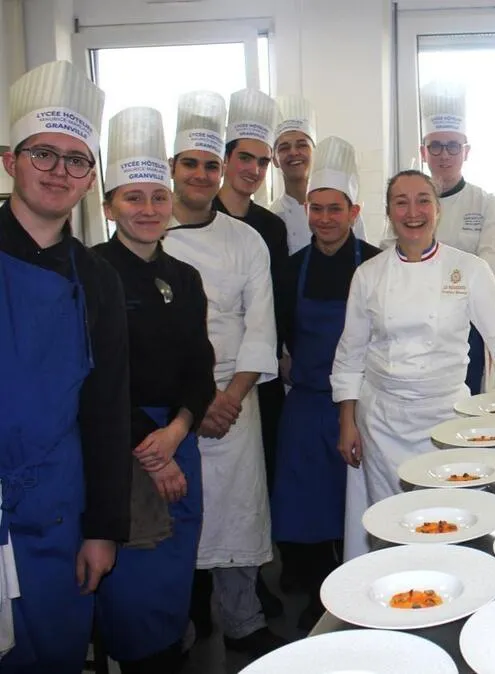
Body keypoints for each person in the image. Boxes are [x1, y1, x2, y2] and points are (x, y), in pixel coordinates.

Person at [0, 60, 132, 673]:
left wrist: (102, 528)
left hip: (57, 508)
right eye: (43, 154)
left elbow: (107, 409)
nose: (59, 171)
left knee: (52, 653)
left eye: (76, 160)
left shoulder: (98, 279)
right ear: (11, 161)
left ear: (89, 179)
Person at [332, 169, 495, 559]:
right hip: (383, 423)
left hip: (447, 421)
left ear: (437, 210)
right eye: (401, 202)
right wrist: (347, 421)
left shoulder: (469, 270)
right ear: (389, 213)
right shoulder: (368, 275)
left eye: (423, 201)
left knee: (446, 519)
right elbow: (350, 353)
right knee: (391, 522)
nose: (413, 212)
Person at [92, 106, 216, 674]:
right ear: (108, 206)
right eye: (133, 198)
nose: (148, 209)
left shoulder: (184, 278)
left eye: (157, 197)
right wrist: (151, 447)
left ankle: (168, 649)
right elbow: (97, 375)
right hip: (120, 442)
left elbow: (200, 364)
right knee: (135, 565)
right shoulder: (90, 272)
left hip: (177, 434)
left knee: (177, 553)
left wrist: (178, 430)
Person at [162, 90, 285, 657]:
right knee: (173, 517)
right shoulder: (149, 230)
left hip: (237, 396)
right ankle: (175, 628)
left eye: (210, 165)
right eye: (190, 163)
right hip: (171, 404)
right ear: (172, 167)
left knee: (238, 513)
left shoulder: (247, 240)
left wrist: (228, 396)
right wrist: (194, 401)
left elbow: (261, 326)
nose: (201, 174)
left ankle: (242, 622)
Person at [272, 136, 380, 629]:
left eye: (335, 209)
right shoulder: (290, 270)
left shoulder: (375, 266)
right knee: (307, 508)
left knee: (354, 506)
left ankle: (358, 592)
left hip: (360, 405)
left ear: (353, 211)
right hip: (307, 404)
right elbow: (279, 333)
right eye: (316, 209)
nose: (325, 218)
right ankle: (320, 604)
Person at [211, 88, 288, 618]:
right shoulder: (194, 215)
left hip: (258, 371)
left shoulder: (271, 226)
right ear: (225, 160)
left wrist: (280, 352)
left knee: (254, 480)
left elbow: (272, 302)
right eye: (246, 158)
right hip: (202, 378)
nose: (254, 170)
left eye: (262, 161)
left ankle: (251, 583)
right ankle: (202, 602)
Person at [381, 80, 495, 394]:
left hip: (468, 330)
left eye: (453, 146)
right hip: (411, 330)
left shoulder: (488, 205)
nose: (444, 155)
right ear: (423, 152)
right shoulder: (406, 207)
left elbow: (489, 276)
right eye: (435, 146)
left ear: (466, 151)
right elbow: (390, 267)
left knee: (467, 411)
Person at [271, 96, 365, 253]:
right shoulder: (273, 216)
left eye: (302, 145)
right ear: (274, 159)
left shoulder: (346, 212)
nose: (293, 152)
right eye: (284, 147)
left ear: (315, 154)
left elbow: (363, 259)